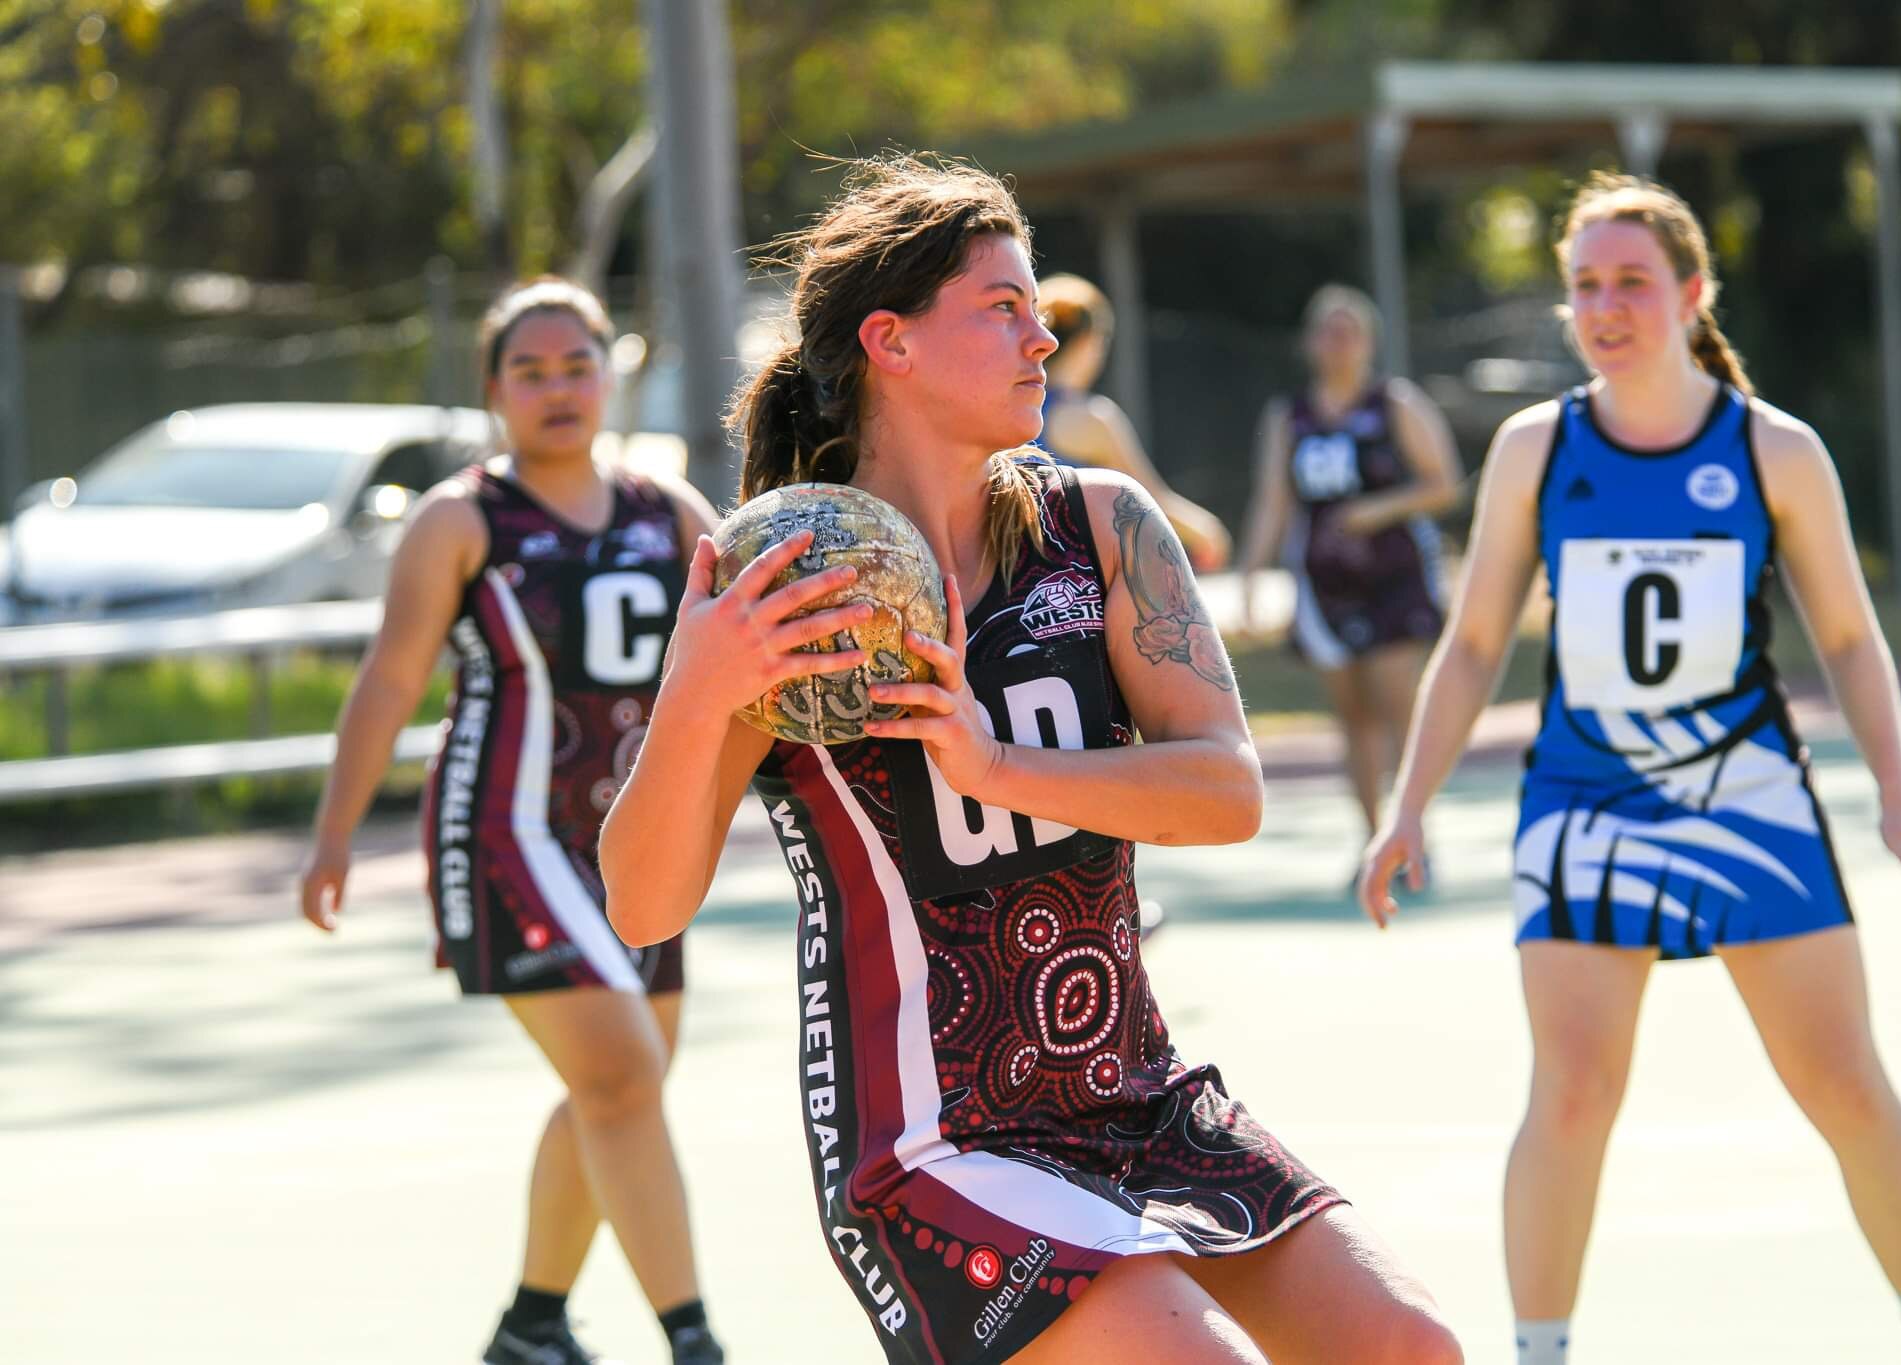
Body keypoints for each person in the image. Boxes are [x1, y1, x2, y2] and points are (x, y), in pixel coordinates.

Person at [601, 155, 1461, 1365]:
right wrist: (698, 691)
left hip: (1139, 1098)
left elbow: (1225, 790)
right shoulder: (791, 586)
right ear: (889, 343)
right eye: (1002, 308)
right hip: (935, 1145)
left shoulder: (1099, 526)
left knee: (1410, 1348)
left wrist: (994, 763)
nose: (1042, 338)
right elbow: (642, 902)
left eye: (1035, 307)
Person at [1359, 172, 1901, 1365]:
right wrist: (1405, 809)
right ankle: (1539, 1353)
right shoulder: (1534, 447)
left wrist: (1900, 807)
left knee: (1844, 1085)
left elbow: (1850, 641)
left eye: (1630, 282)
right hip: (1583, 801)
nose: (1604, 306)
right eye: (1583, 286)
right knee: (1569, 1096)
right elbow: (1475, 646)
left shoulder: (1772, 450)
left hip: (1743, 791)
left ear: (1689, 291)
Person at [299, 276, 727, 1365]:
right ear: (492, 390)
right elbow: (390, 683)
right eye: (528, 371)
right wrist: (334, 835)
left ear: (610, 373)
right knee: (622, 1078)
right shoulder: (462, 521)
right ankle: (695, 1344)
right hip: (507, 836)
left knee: (616, 1086)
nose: (556, 388)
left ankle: (531, 1326)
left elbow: (741, 648)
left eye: (575, 365)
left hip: (634, 839)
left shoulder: (667, 513)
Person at [1237, 284, 1462, 874]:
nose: (1339, 342)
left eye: (1350, 330)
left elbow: (1444, 484)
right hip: (1326, 587)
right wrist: (1253, 576)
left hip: (1394, 580)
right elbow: (1273, 500)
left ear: (1369, 341)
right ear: (1309, 342)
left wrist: (1378, 510)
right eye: (1327, 330)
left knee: (1397, 704)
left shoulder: (1395, 404)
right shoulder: (1291, 415)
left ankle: (1414, 830)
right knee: (1353, 715)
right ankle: (1371, 838)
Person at [1036, 272, 1233, 572]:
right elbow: (1150, 500)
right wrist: (1209, 533)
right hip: (1073, 582)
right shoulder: (1091, 418)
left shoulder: (1015, 411)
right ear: (1090, 342)